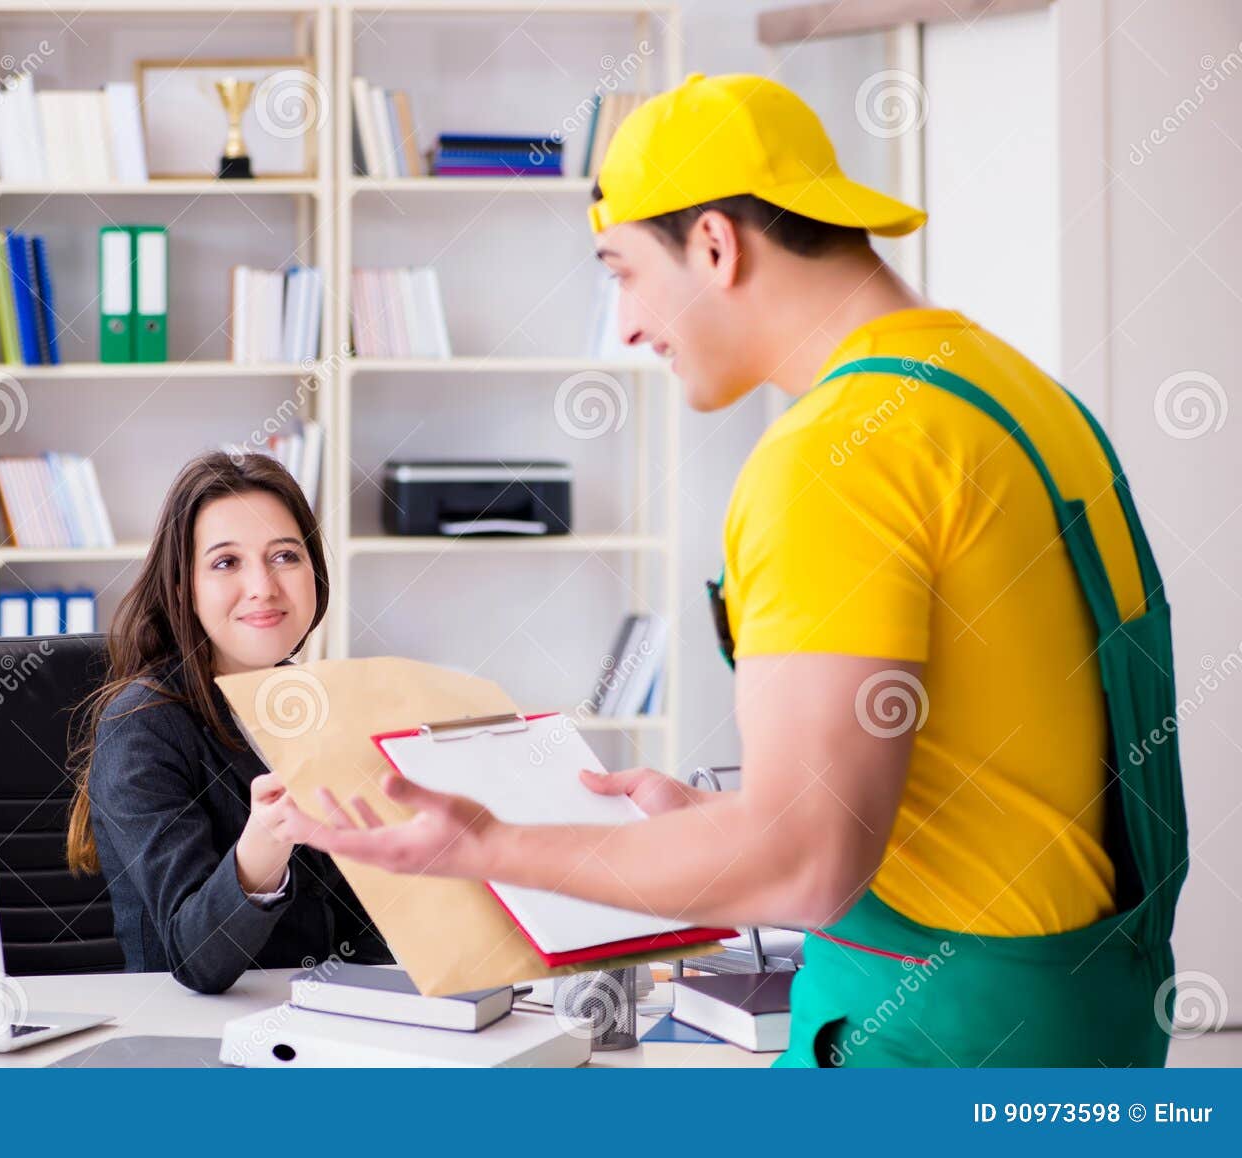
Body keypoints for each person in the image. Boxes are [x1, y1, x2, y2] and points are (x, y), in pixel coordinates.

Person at [283, 74, 1188, 1066]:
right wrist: (723, 819)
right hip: (1093, 1017)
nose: (625, 324)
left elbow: (806, 863)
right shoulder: (1020, 399)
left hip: (932, 1044)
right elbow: (1007, 768)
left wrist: (487, 847)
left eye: (621, 271)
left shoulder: (833, 458)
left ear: (714, 245)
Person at [66, 451, 390, 994]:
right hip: (196, 1038)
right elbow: (196, 961)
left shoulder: (324, 706)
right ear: (182, 589)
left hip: (337, 1022)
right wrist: (264, 844)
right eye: (225, 562)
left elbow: (366, 925)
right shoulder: (141, 727)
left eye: (285, 556)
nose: (263, 586)